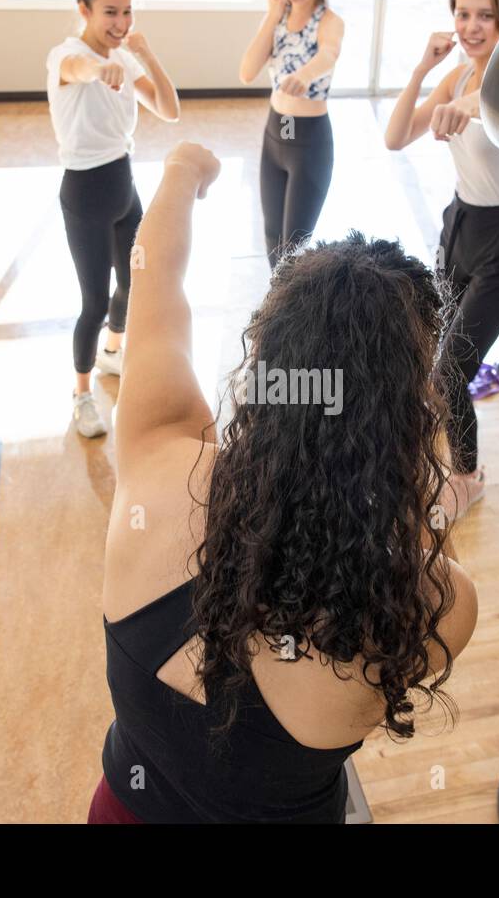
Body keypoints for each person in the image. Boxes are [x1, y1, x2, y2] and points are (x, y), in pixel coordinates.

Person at [88, 141, 478, 823]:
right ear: (407, 420)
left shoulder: (159, 460)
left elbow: (153, 282)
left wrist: (183, 172)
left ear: (268, 366)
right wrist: (405, 475)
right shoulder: (432, 601)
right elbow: (406, 538)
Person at [384, 0, 499, 521]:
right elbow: (395, 137)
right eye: (463, 13)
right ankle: (436, 439)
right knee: (433, 352)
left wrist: (468, 106)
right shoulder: (458, 77)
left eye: (486, 16)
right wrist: (424, 71)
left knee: (452, 368)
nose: (472, 26)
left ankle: (468, 476)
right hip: (460, 229)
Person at [47, 0, 180, 438]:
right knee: (94, 302)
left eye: (127, 12)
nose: (121, 24)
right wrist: (100, 67)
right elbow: (78, 67)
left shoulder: (124, 55)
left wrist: (146, 56)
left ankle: (111, 353)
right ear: (83, 9)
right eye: (110, 13)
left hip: (124, 187)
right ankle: (82, 395)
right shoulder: (66, 55)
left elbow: (169, 110)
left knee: (134, 282)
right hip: (84, 192)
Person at [239, 0, 345, 269]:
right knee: (272, 238)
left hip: (309, 141)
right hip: (278, 131)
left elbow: (329, 53)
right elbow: (246, 73)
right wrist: (272, 16)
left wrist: (304, 74)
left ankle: (292, 312)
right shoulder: (276, 17)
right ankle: (277, 308)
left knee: (294, 246)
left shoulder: (330, 21)